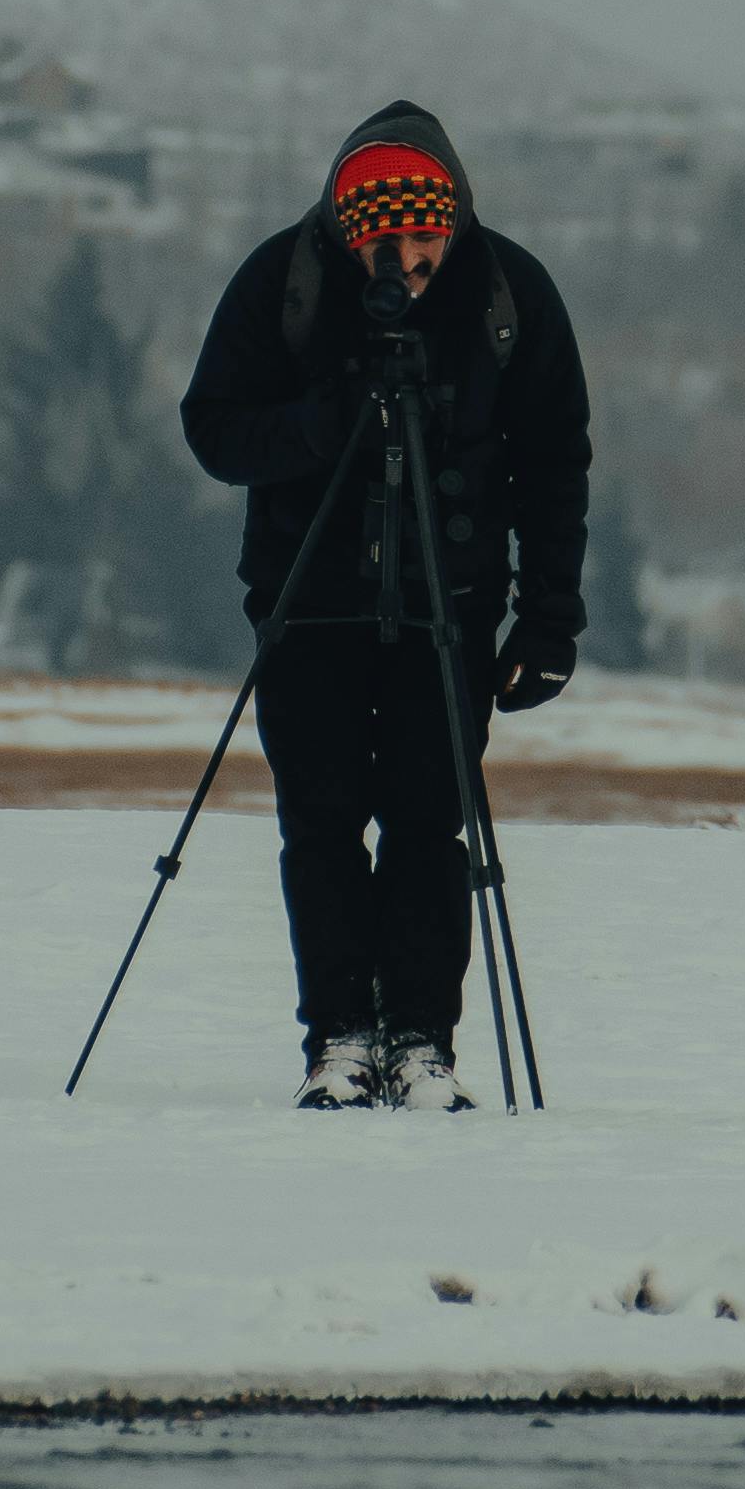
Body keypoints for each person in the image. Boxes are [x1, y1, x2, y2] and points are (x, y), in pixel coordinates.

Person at [180, 101, 592, 1110]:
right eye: (384, 247)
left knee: (427, 823)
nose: (406, 267)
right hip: (308, 603)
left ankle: (420, 1039)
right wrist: (325, 425)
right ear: (347, 233)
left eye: (423, 243)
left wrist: (548, 617)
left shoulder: (506, 291)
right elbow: (215, 431)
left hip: (451, 602)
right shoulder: (284, 282)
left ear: (450, 223)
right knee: (319, 824)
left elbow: (554, 461)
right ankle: (339, 1037)